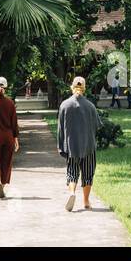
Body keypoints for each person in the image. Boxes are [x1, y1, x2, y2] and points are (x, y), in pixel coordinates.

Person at [57, 75, 99, 212]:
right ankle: (86, 202)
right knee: (88, 174)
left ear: (72, 87)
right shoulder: (90, 106)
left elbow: (60, 129)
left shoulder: (64, 105)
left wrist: (61, 146)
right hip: (88, 146)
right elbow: (96, 126)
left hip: (71, 146)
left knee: (72, 172)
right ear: (84, 88)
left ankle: (72, 193)